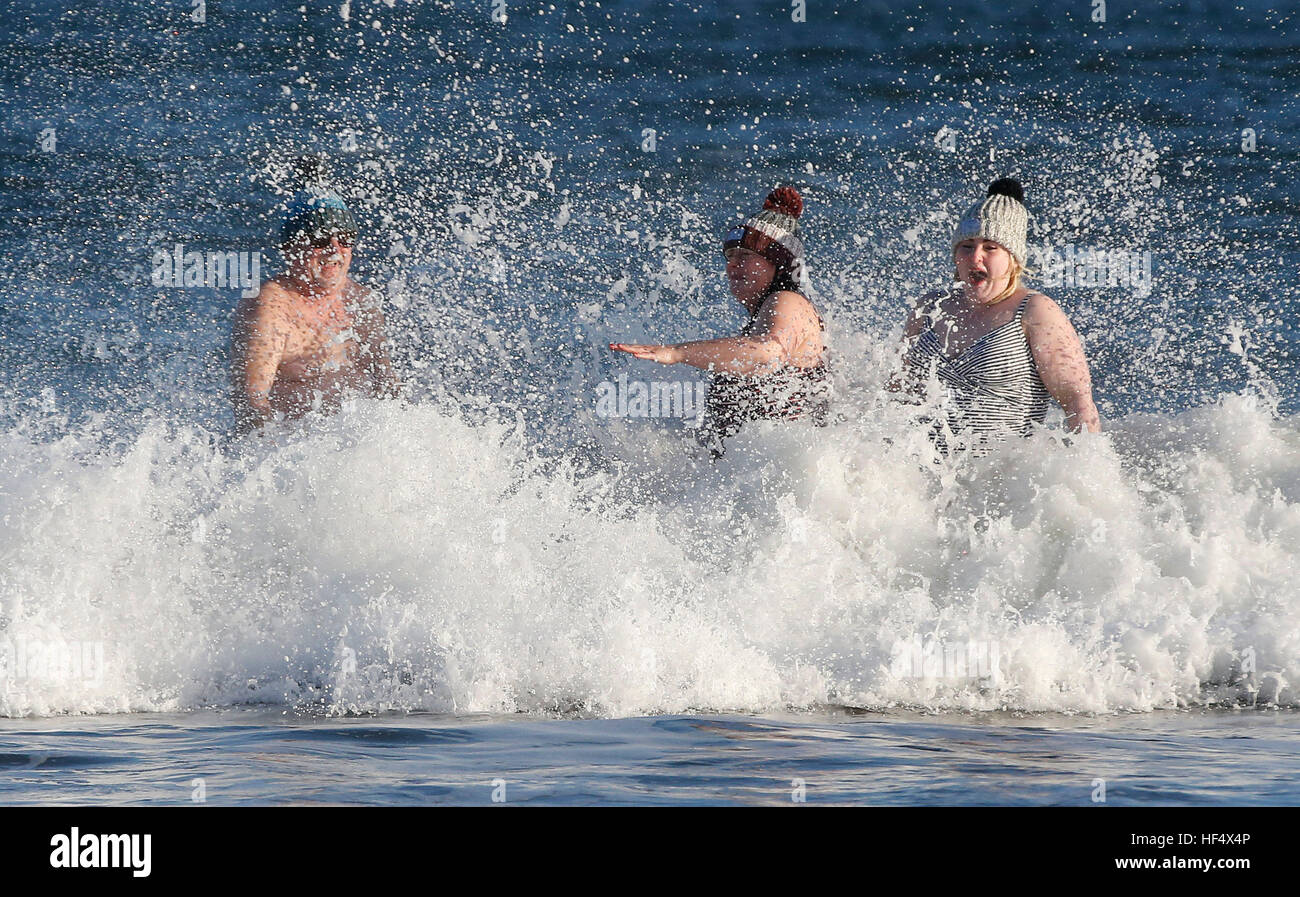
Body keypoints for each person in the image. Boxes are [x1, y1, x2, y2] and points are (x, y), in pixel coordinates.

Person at [610, 186, 829, 455]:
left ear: (778, 265)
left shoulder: (788, 301)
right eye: (730, 256)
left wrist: (676, 353)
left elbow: (769, 353)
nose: (732, 265)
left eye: (746, 256)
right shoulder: (763, 316)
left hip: (790, 484)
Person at [893, 177, 1100, 454]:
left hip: (1001, 483)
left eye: (990, 247)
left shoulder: (1036, 311)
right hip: (924, 481)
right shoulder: (930, 308)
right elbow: (898, 395)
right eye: (967, 246)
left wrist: (1090, 480)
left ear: (1013, 258)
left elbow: (1079, 405)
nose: (976, 257)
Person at [231, 157, 399, 434]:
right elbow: (251, 404)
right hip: (294, 449)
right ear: (290, 249)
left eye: (345, 239)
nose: (335, 250)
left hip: (355, 443)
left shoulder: (361, 301)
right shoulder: (270, 307)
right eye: (321, 240)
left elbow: (386, 383)